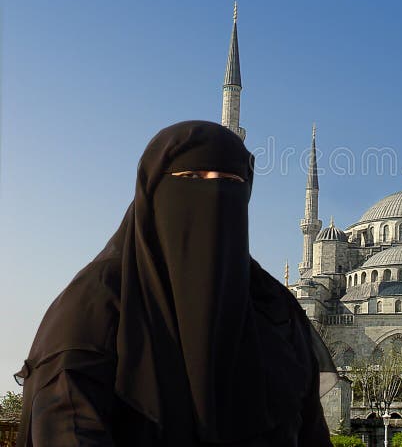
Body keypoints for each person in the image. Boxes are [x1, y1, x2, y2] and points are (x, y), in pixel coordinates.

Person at [15, 121, 336, 446]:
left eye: (230, 181)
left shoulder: (272, 309)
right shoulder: (98, 304)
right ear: (153, 191)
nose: (214, 197)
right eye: (193, 178)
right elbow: (68, 425)